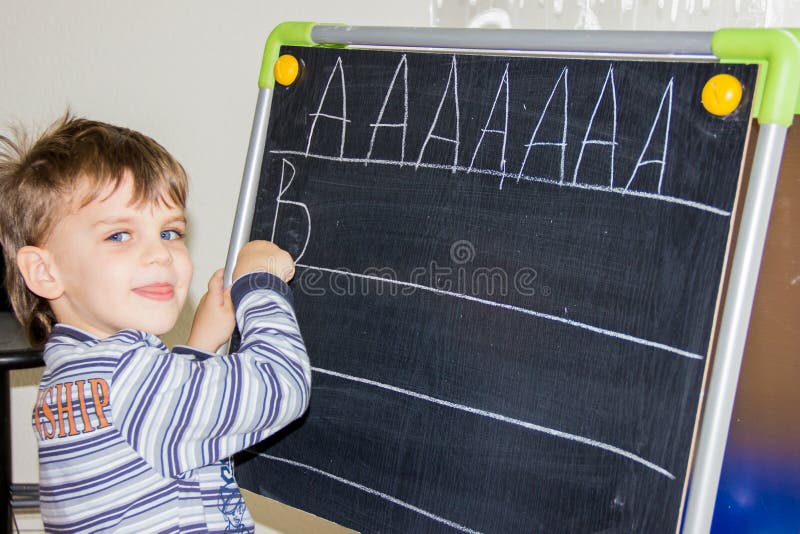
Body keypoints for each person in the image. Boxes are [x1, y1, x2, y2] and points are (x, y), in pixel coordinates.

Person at [0, 114, 311, 532]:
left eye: (169, 233)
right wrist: (262, 283)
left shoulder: (72, 376)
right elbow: (281, 385)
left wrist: (199, 343)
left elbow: (159, 425)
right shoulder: (131, 381)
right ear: (43, 271)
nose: (160, 255)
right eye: (119, 236)